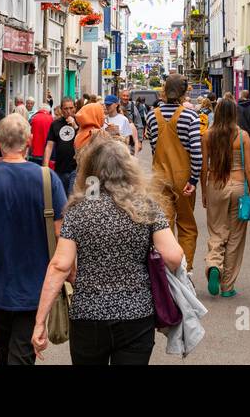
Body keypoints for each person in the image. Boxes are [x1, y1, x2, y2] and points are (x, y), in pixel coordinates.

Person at [32, 135, 185, 365]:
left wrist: (40, 321)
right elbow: (174, 257)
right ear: (129, 169)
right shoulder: (145, 207)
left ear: (90, 170)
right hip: (136, 314)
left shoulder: (78, 210)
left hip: (88, 315)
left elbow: (60, 266)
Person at [0, 114, 67, 365]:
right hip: (36, 286)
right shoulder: (48, 179)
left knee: (4, 349)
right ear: (29, 141)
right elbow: (60, 234)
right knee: (20, 355)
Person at [144, 74, 204, 270]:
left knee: (163, 226)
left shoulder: (152, 116)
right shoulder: (190, 116)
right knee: (187, 226)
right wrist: (194, 179)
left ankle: (166, 272)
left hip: (159, 178)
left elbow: (154, 148)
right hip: (183, 177)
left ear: (164, 91)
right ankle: (185, 271)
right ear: (184, 92)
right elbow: (196, 151)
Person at [202, 97, 250, 298]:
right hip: (239, 186)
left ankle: (214, 265)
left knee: (217, 231)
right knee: (235, 237)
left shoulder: (208, 135)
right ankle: (227, 286)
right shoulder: (243, 136)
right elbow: (249, 169)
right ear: (234, 114)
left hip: (216, 185)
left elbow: (204, 167)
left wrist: (204, 192)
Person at [42, 98, 80, 196]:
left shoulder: (80, 122)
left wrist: (75, 126)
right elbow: (49, 146)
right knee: (61, 197)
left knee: (71, 197)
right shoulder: (55, 124)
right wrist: (45, 166)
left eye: (71, 108)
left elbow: (85, 140)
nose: (68, 111)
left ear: (75, 108)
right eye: (65, 109)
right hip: (60, 168)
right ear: (61, 110)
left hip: (75, 168)